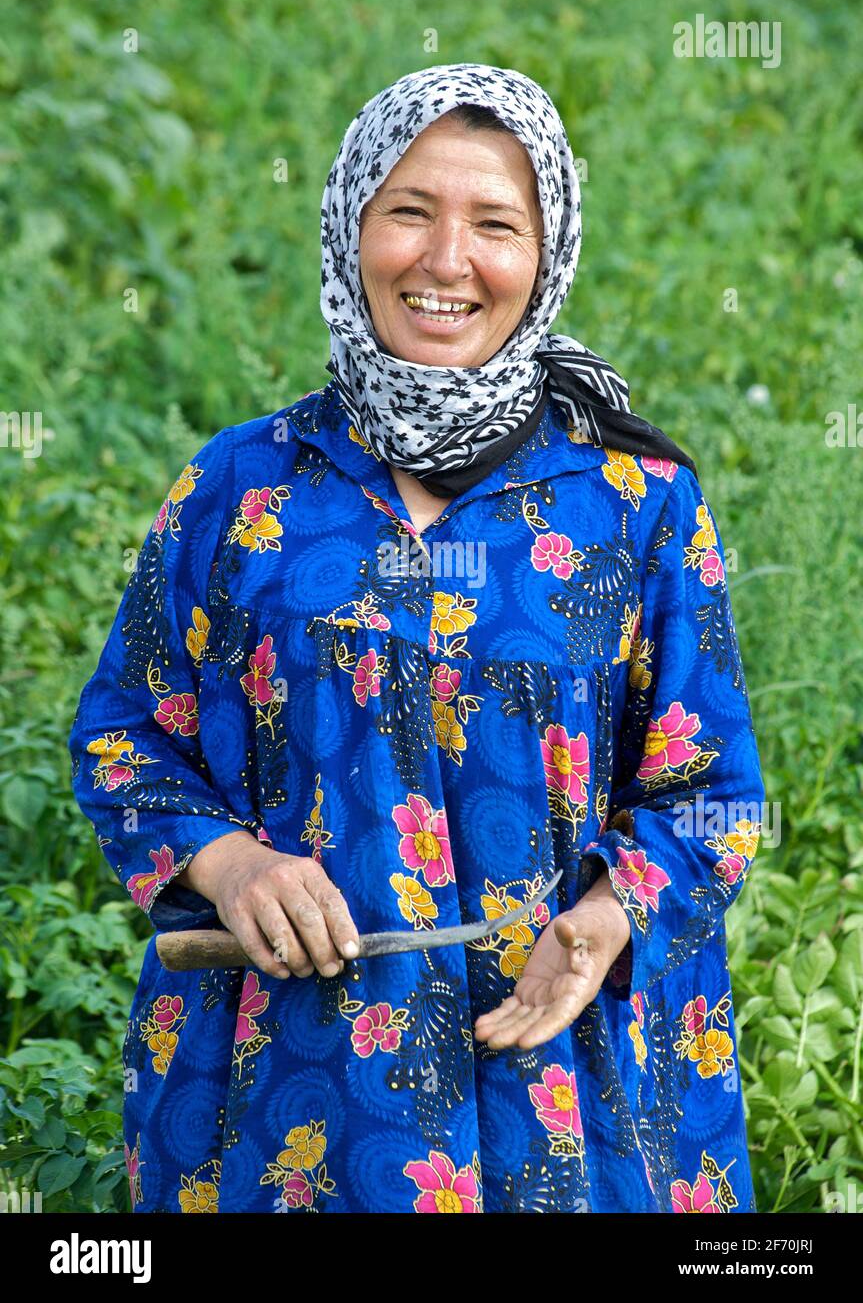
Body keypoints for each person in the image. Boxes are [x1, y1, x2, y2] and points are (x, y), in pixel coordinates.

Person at [68, 62, 764, 1214]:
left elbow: (711, 797)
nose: (446, 262)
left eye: (494, 224)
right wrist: (229, 863)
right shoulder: (241, 487)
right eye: (408, 212)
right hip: (290, 1092)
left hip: (561, 1092)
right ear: (350, 228)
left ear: (544, 256)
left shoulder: (634, 503)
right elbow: (124, 739)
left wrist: (600, 923)